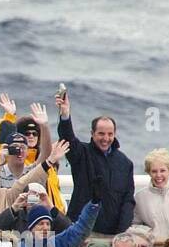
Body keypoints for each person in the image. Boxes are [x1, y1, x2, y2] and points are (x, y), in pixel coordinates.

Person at [55, 89, 133, 236]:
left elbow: (128, 201)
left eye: (110, 134)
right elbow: (68, 138)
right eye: (101, 133)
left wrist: (122, 233)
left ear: (115, 134)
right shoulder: (81, 153)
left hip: (112, 235)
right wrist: (65, 115)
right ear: (92, 134)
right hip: (81, 232)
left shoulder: (125, 163)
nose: (106, 138)